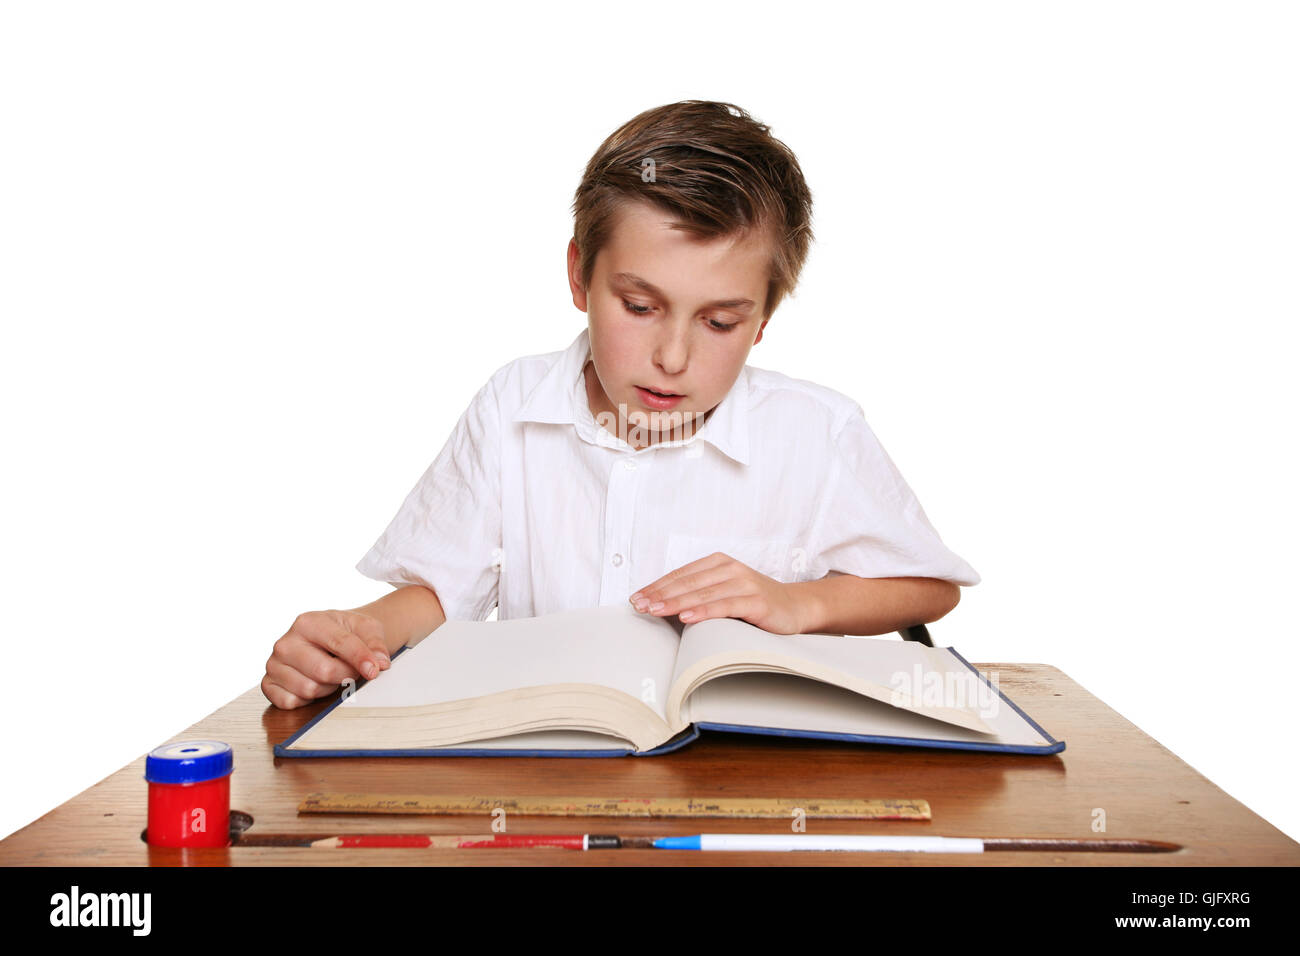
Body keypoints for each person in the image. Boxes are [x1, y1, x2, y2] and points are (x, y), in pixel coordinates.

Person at [261, 100, 980, 710]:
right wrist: (358, 633)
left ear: (765, 316)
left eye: (720, 322)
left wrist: (801, 603)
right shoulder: (514, 403)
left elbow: (926, 584)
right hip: (552, 776)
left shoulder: (816, 431)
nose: (673, 356)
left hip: (743, 780)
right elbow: (443, 591)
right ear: (579, 275)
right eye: (639, 305)